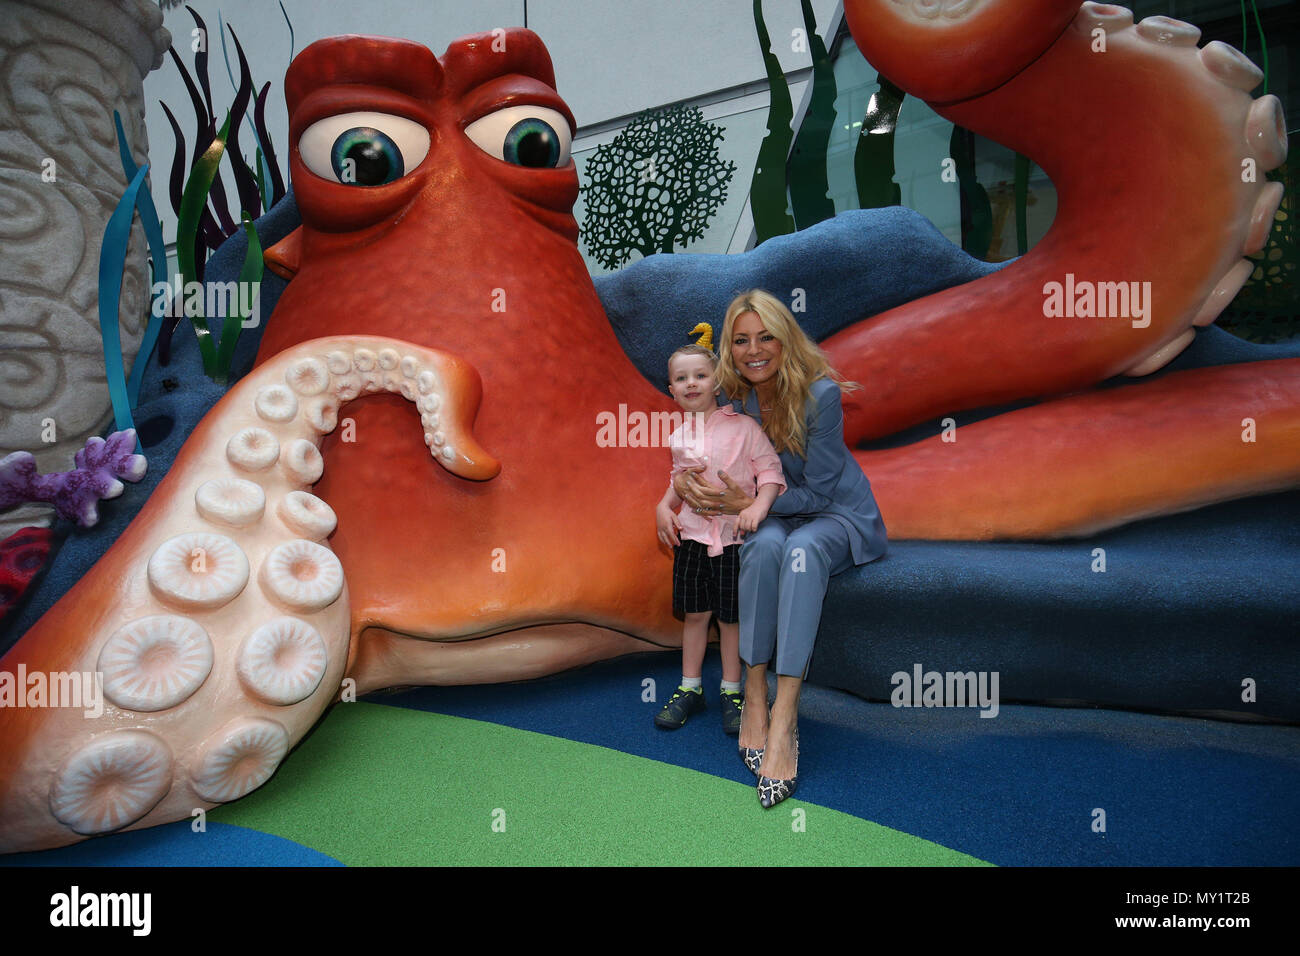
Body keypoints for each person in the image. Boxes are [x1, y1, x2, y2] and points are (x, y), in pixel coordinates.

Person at [674, 290, 887, 808]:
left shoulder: (821, 396)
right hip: (767, 511)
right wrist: (680, 495)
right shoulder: (737, 399)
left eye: (765, 336)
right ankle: (753, 693)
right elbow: (708, 459)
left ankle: (786, 713)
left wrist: (748, 500)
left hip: (833, 512)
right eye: (742, 339)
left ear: (785, 337)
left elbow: (820, 490)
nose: (754, 349)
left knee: (801, 554)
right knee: (765, 551)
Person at [654, 336, 786, 735]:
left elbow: (771, 472)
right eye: (682, 378)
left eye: (700, 375)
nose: (691, 383)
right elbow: (680, 480)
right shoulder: (678, 437)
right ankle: (690, 687)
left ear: (716, 381)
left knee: (731, 619)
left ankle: (732, 691)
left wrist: (757, 507)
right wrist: (663, 506)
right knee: (695, 614)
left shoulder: (745, 428)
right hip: (693, 539)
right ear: (672, 390)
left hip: (733, 539)